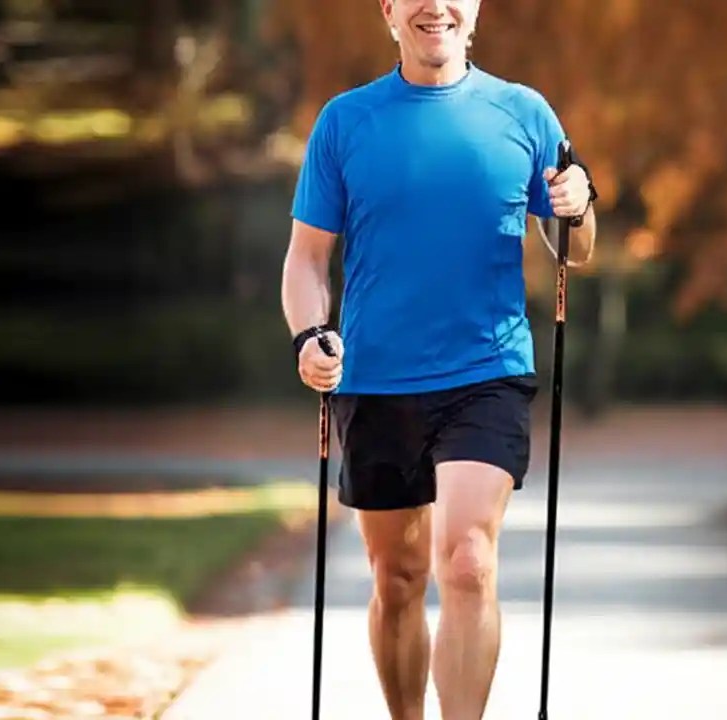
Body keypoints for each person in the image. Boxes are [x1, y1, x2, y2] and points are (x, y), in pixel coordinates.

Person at [280, 1, 596, 717]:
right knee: (398, 575)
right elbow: (306, 260)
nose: (435, 6)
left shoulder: (523, 112)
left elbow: (575, 248)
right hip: (375, 376)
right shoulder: (345, 122)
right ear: (389, 11)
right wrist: (310, 337)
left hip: (486, 373)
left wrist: (577, 206)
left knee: (467, 561)